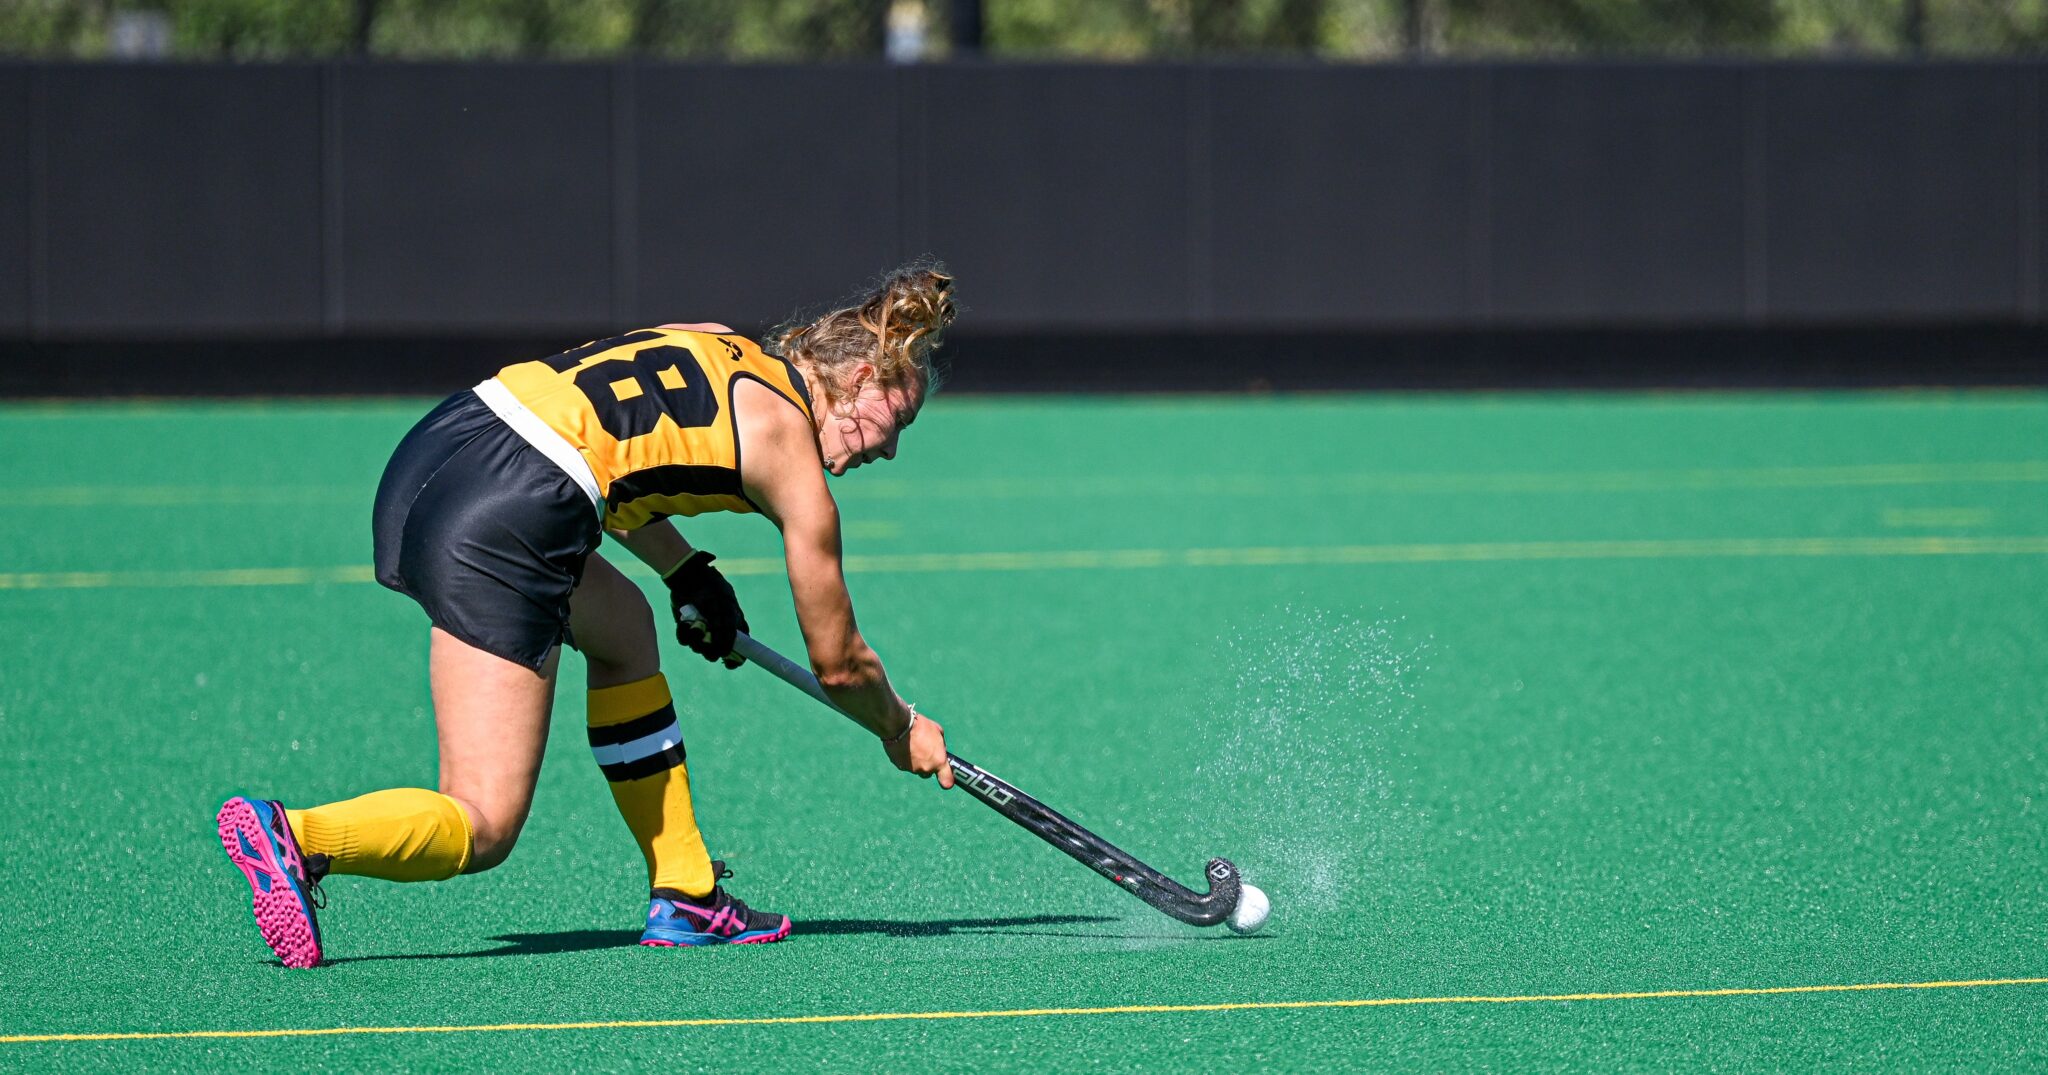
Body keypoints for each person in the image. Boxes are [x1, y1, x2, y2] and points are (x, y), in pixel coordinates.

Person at [214, 265, 958, 968]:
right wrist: (898, 727)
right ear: (861, 378)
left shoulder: (714, 341)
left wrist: (684, 568)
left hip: (444, 446)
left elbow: (596, 447)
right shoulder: (791, 456)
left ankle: (687, 889)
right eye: (896, 420)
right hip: (511, 511)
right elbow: (839, 661)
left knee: (625, 630)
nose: (889, 450)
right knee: (483, 818)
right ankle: (298, 836)